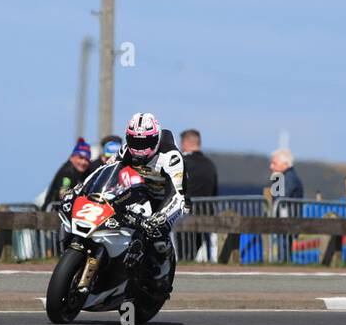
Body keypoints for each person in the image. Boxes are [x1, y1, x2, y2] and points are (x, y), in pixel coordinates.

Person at [58, 113, 187, 299]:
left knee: (157, 236)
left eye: (144, 143)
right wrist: (80, 189)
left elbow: (177, 195)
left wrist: (160, 217)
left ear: (156, 139)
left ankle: (159, 277)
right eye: (134, 141)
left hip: (165, 199)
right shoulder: (127, 150)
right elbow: (103, 171)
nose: (139, 148)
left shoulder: (171, 157)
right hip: (140, 191)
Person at [179, 129, 219, 261]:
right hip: (207, 215)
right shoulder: (210, 165)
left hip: (185, 215)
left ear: (185, 143)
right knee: (196, 251)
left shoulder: (182, 162)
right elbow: (214, 192)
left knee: (183, 254)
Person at [41, 138, 93, 210]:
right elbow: (63, 194)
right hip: (54, 213)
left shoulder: (85, 172)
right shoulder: (67, 172)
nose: (83, 162)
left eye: (87, 159)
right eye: (81, 158)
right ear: (72, 157)